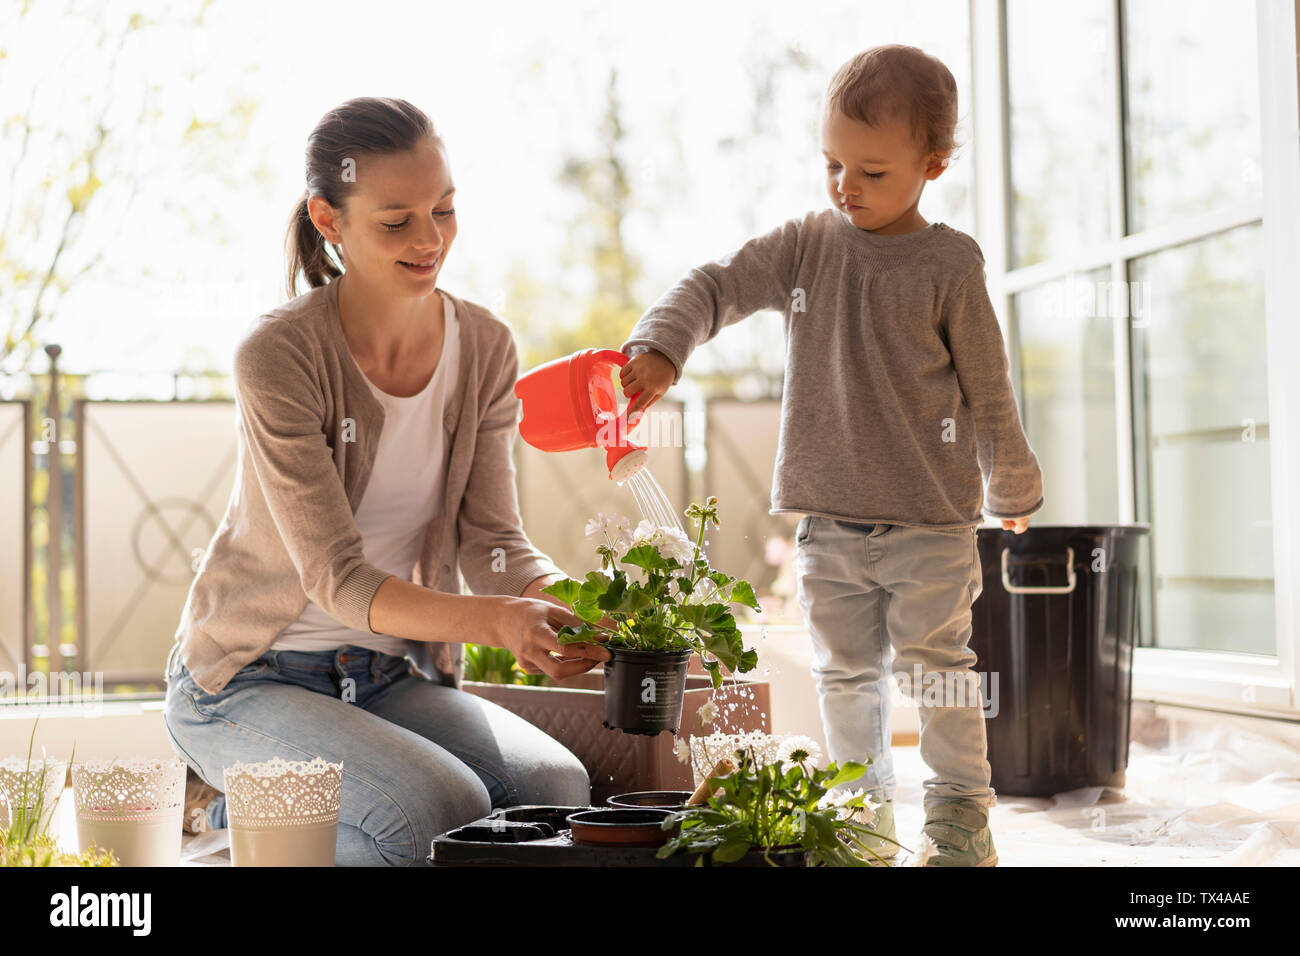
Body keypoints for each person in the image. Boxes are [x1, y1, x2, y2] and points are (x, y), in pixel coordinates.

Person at [617, 46, 1043, 866]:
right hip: (829, 529)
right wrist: (664, 345)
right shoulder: (809, 244)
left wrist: (1012, 479)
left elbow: (988, 390)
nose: (846, 185)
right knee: (845, 679)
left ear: (933, 164)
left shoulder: (950, 264)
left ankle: (959, 818)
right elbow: (715, 283)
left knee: (940, 673)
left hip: (932, 526)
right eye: (833, 163)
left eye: (872, 171)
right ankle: (860, 815)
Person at [162, 96, 611, 866]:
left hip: (380, 676)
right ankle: (237, 811)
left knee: (556, 791)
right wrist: (499, 621)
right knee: (439, 810)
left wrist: (575, 603)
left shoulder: (487, 348)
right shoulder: (279, 357)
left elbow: (495, 543)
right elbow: (338, 578)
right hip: (245, 681)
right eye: (396, 220)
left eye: (443, 209)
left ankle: (269, 812)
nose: (430, 239)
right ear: (329, 220)